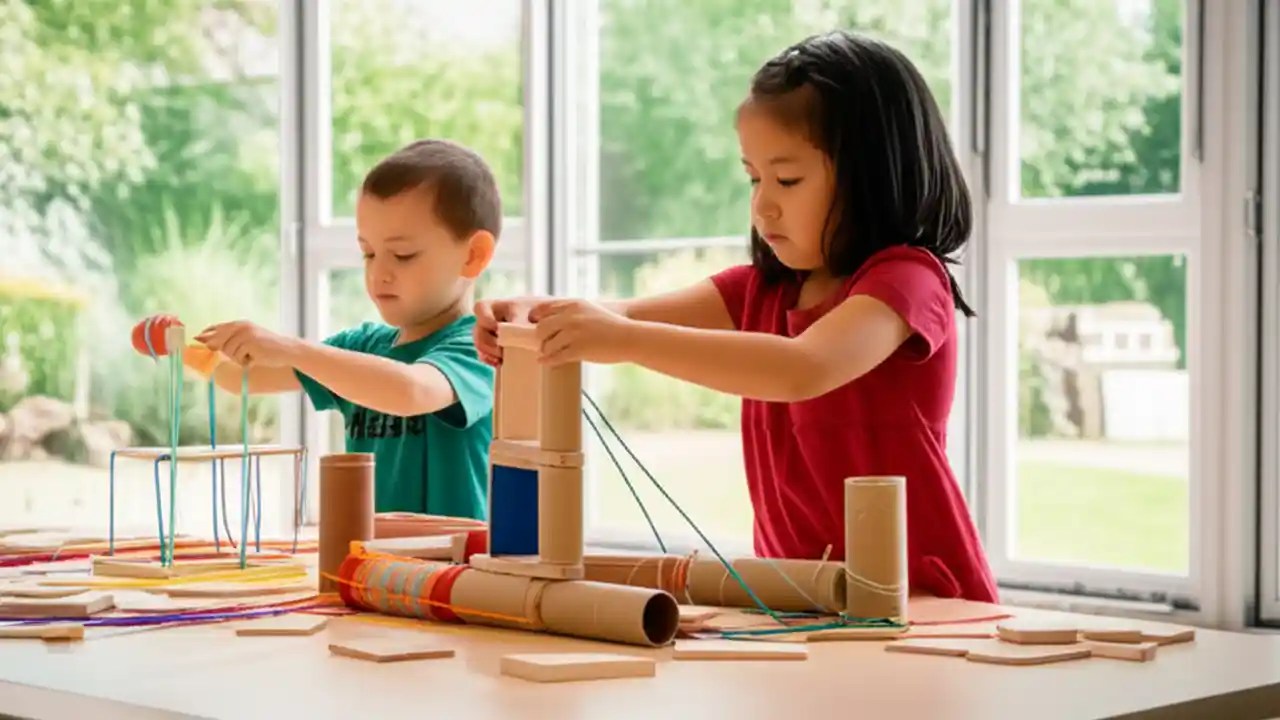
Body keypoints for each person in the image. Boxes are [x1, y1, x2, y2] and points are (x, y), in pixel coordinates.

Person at [475, 32, 998, 602]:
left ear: (871, 172)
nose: (763, 204)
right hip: (800, 595)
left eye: (788, 179)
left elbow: (802, 368)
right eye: (754, 177)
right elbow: (618, 312)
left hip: (919, 598)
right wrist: (532, 312)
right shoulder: (765, 290)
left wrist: (623, 339)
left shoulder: (907, 279)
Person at [193, 138, 499, 519]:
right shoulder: (363, 348)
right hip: (372, 569)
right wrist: (183, 347)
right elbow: (244, 377)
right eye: (368, 253)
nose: (378, 273)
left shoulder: (481, 347)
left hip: (452, 574)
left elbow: (412, 389)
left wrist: (291, 348)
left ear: (473, 256)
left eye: (403, 255)